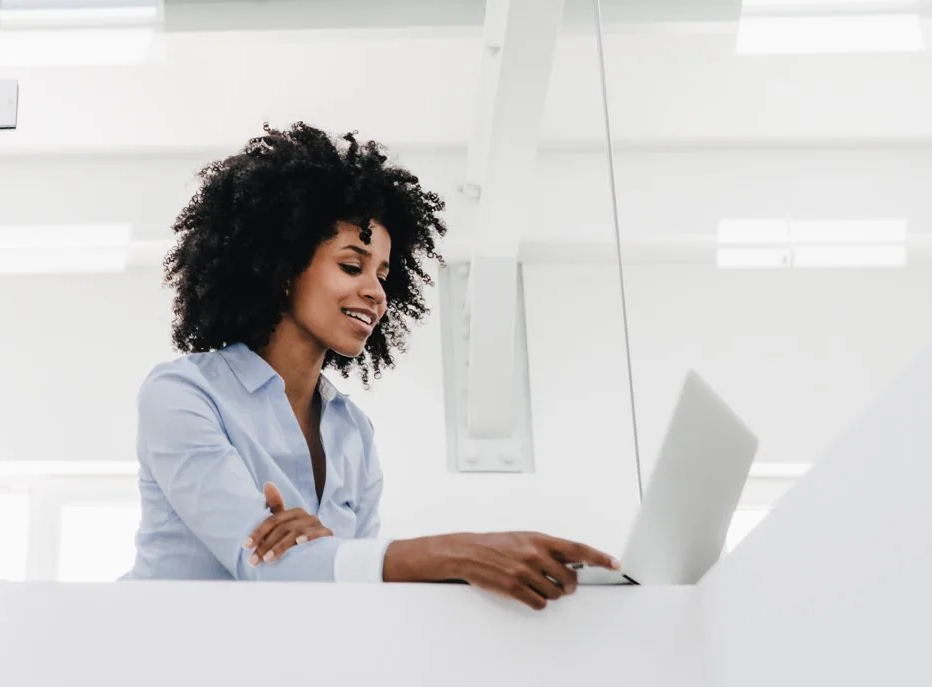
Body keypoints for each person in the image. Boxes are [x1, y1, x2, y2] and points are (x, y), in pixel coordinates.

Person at [122, 123, 616, 610]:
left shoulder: (351, 431)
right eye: (352, 266)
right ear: (281, 268)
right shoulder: (183, 394)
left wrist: (327, 556)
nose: (377, 292)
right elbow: (269, 566)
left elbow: (349, 591)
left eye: (382, 274)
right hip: (157, 659)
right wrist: (456, 552)